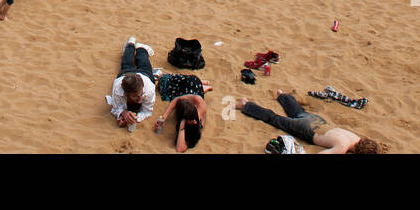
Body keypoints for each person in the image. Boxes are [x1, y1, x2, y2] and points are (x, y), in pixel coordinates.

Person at [241, 91, 386, 153]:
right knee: (276, 120)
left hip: (319, 122)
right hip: (308, 131)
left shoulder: (356, 138)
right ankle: (246, 105)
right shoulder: (343, 147)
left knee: (299, 112)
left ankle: (283, 96)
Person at [155, 74, 212, 152]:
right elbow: (176, 100)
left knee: (164, 82)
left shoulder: (201, 108)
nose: (194, 122)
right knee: (163, 81)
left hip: (194, 87)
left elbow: (180, 148)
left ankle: (202, 86)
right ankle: (202, 85)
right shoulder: (183, 101)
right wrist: (164, 117)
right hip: (187, 86)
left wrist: (183, 126)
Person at [110, 37, 156, 129]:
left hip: (145, 74)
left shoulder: (149, 89)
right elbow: (116, 108)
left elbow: (147, 111)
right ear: (126, 94)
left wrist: (136, 118)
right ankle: (130, 45)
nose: (140, 98)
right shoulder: (118, 90)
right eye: (135, 96)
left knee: (144, 63)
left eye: (141, 94)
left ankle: (140, 48)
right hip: (125, 74)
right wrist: (123, 113)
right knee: (126, 63)